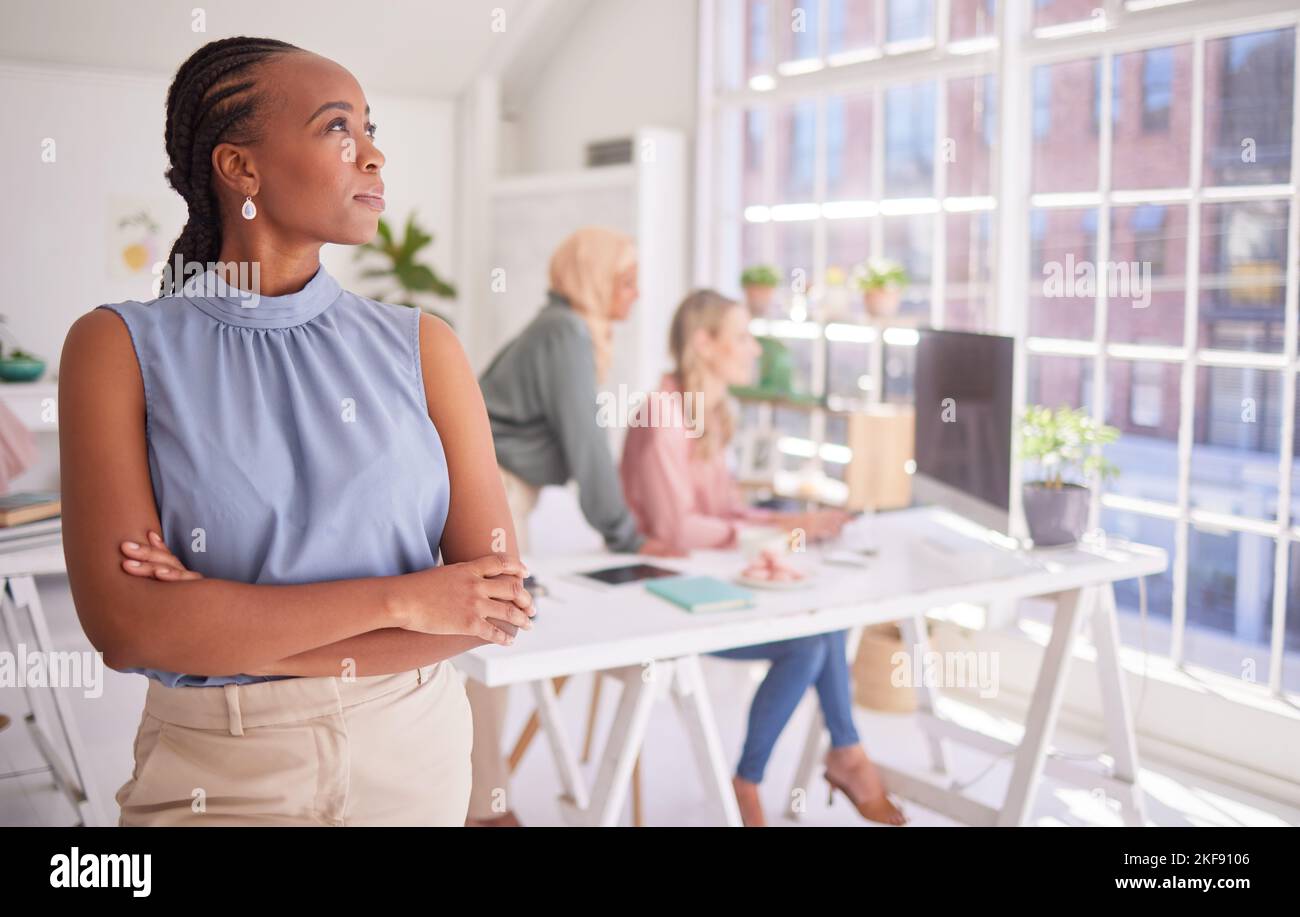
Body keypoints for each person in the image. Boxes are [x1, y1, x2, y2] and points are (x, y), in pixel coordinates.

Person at [59, 36, 534, 827]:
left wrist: (221, 631)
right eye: (338, 127)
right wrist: (407, 598)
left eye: (370, 128)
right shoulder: (115, 347)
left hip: (414, 754)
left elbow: (495, 603)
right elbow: (130, 627)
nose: (374, 155)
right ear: (239, 167)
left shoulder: (426, 347)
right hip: (220, 769)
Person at [619, 289, 907, 827]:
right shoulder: (663, 412)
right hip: (662, 589)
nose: (754, 350)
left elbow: (724, 510)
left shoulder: (710, 409)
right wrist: (783, 526)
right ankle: (783, 772)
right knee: (809, 643)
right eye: (742, 336)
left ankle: (819, 762)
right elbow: (676, 527)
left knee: (821, 628)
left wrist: (790, 523)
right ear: (704, 344)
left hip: (702, 574)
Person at [466, 226, 677, 826]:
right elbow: (588, 451)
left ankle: (478, 800)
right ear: (593, 278)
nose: (635, 295)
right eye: (626, 280)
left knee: (488, 648)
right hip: (492, 495)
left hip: (495, 493)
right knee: (491, 651)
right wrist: (630, 538)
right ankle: (483, 809)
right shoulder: (565, 333)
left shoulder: (558, 326)